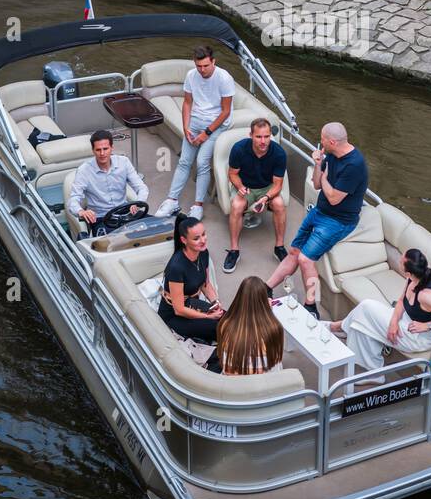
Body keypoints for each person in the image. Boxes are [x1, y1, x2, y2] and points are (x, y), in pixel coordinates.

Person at [266, 122, 368, 313]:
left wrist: (324, 178)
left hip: (339, 221)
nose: (319, 143)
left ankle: (311, 306)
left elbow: (334, 198)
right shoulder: (330, 155)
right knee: (295, 252)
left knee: (305, 259)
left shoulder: (354, 165)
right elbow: (316, 184)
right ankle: (266, 288)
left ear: (332, 141)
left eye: (322, 139)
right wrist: (319, 164)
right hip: (319, 211)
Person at [330, 248, 431, 378]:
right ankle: (373, 373)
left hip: (417, 336)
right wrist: (394, 322)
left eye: (401, 261)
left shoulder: (426, 296)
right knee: (363, 321)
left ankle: (339, 327)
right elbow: (401, 300)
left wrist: (427, 326)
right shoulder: (413, 278)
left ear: (408, 272)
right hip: (405, 320)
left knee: (366, 308)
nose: (399, 260)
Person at [156, 45, 235, 219]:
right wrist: (186, 126)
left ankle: (198, 205)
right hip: (195, 122)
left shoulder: (224, 78)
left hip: (217, 125)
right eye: (199, 66)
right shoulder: (192, 75)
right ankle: (172, 200)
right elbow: (187, 103)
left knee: (201, 162)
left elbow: (226, 111)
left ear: (213, 61)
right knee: (184, 161)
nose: (202, 70)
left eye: (206, 66)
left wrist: (206, 133)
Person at [223, 117, 288, 272]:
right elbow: (232, 174)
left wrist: (265, 199)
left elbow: (278, 184)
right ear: (251, 135)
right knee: (237, 205)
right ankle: (234, 251)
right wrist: (239, 187)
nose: (263, 141)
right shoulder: (239, 149)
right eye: (258, 136)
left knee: (279, 204)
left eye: (266, 136)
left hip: (267, 188)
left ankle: (279, 247)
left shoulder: (279, 153)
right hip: (246, 187)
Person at [160, 213, 223, 370]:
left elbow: (205, 285)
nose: (203, 240)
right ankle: (221, 361)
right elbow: (179, 309)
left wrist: (215, 302)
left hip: (193, 303)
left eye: (204, 234)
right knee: (219, 328)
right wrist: (208, 316)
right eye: (196, 238)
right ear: (184, 240)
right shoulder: (176, 266)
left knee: (229, 321)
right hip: (174, 315)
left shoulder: (204, 253)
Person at [67, 129, 149, 237]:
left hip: (126, 214)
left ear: (112, 148)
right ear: (93, 150)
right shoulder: (84, 171)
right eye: (98, 150)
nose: (102, 153)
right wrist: (81, 212)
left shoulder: (124, 162)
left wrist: (138, 202)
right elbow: (73, 200)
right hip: (101, 219)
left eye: (105, 149)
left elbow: (142, 188)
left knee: (158, 227)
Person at [217, 276, 284, 376]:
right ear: (264, 300)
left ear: (239, 297)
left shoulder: (225, 324)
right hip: (263, 384)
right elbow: (277, 358)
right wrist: (269, 312)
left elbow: (221, 358)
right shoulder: (274, 328)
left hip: (232, 383)